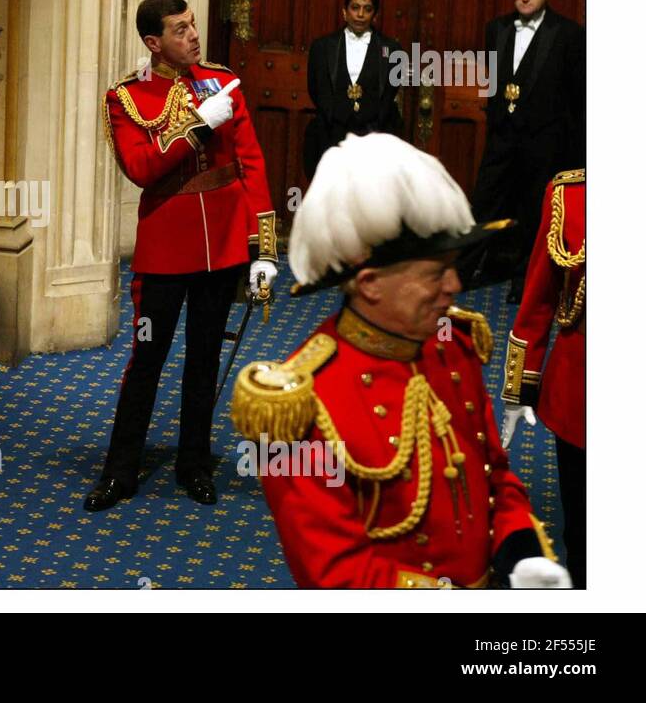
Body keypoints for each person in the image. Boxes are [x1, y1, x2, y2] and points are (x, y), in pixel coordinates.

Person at [231, 133, 571, 588]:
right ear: (369, 282)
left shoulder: (453, 348)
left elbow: (495, 477)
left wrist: (520, 553)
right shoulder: (296, 407)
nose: (454, 285)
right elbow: (334, 574)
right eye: (435, 272)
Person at [84, 0, 278, 512]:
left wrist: (264, 249)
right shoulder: (125, 97)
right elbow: (142, 169)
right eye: (179, 30)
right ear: (154, 42)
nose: (193, 36)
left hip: (224, 242)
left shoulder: (221, 80)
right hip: (167, 246)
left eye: (193, 25)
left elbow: (251, 163)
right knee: (147, 359)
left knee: (204, 358)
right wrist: (196, 127)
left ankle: (195, 462)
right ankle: (120, 470)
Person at [461, 0, 586, 301]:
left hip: (544, 141)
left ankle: (525, 282)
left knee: (535, 212)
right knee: (484, 204)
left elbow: (578, 96)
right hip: (503, 136)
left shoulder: (569, 34)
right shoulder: (496, 29)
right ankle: (460, 273)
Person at [500, 168, 586, 587]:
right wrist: (519, 390)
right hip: (581, 394)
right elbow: (539, 300)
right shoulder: (570, 196)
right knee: (584, 529)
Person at [303, 0, 405, 179]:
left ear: (375, 15)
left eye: (367, 9)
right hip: (333, 133)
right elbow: (315, 87)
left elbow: (390, 91)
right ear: (344, 11)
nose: (360, 14)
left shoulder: (392, 49)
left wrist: (375, 120)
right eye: (355, 8)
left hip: (374, 135)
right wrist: (334, 115)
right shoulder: (322, 47)